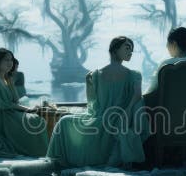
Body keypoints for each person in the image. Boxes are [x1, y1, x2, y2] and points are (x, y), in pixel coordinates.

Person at [47, 36, 148, 168]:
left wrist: (127, 111)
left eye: (132, 50)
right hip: (101, 117)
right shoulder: (94, 75)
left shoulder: (133, 75)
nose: (130, 52)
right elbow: (93, 104)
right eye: (127, 48)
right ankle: (57, 161)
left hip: (119, 118)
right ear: (114, 49)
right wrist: (88, 84)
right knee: (64, 121)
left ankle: (62, 161)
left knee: (65, 121)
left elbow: (137, 96)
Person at [144, 26, 186, 101]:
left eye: (167, 43)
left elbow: (151, 90)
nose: (166, 46)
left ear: (174, 43)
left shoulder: (167, 65)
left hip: (163, 111)